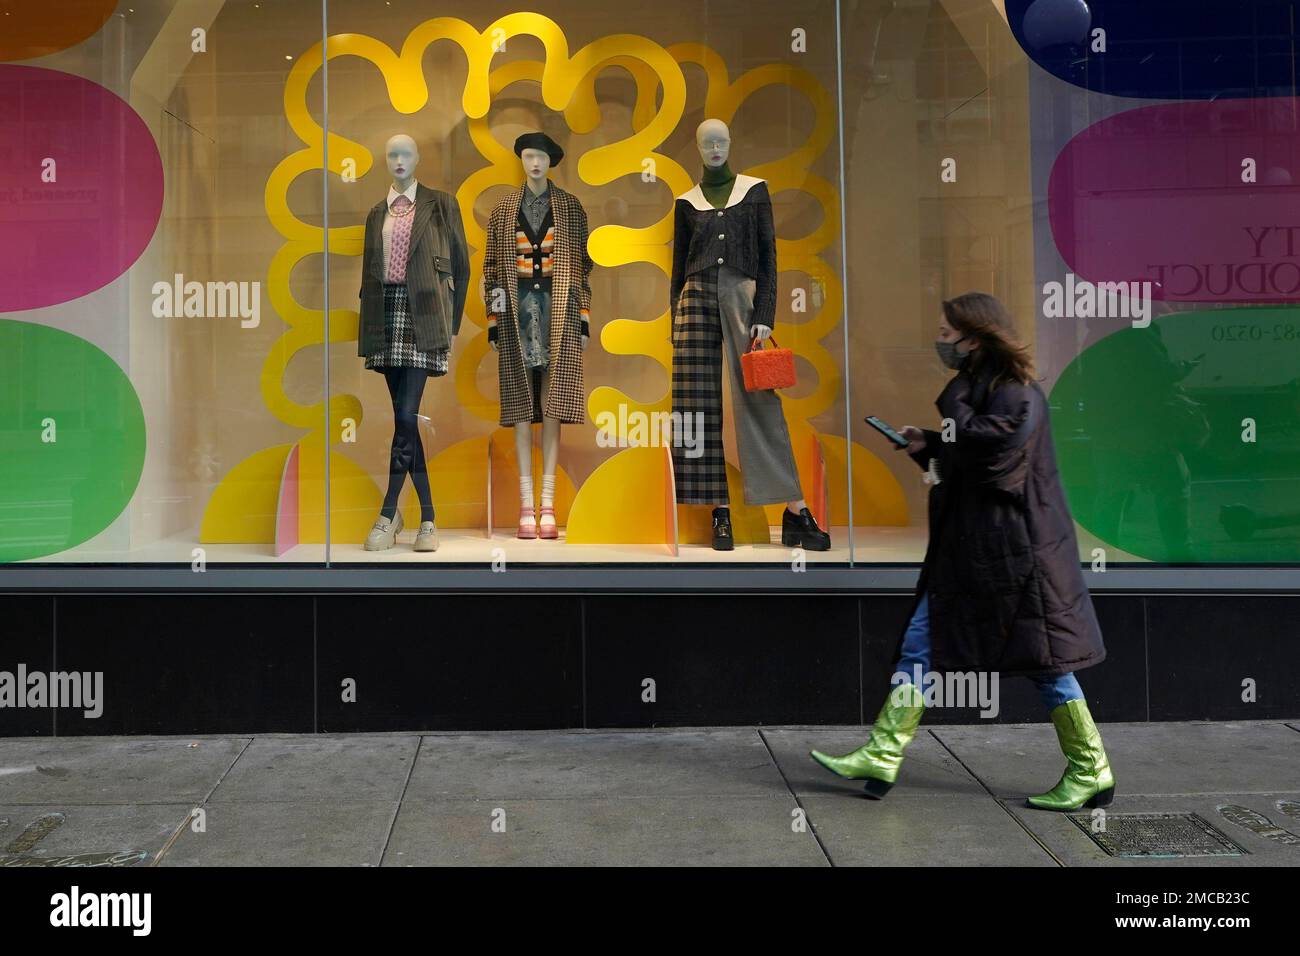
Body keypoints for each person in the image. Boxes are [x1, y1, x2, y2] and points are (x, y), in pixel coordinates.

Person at [810, 292, 1115, 810]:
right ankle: (883, 752)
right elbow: (967, 451)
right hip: (974, 554)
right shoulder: (985, 390)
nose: (941, 342)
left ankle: (1091, 768)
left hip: (1017, 561)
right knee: (920, 643)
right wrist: (928, 443)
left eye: (948, 334)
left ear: (976, 338)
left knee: (1047, 664)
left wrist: (943, 430)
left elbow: (991, 462)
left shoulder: (1017, 395)